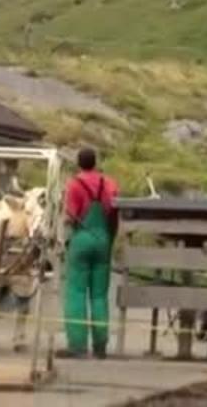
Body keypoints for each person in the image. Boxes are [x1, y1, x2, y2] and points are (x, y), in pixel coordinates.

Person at [61, 146, 120, 359]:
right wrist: (109, 239)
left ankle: (77, 346)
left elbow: (69, 218)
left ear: (79, 163)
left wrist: (65, 239)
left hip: (81, 240)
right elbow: (114, 215)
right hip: (103, 240)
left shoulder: (74, 184)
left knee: (76, 292)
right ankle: (100, 346)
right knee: (99, 295)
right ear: (96, 162)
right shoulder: (110, 183)